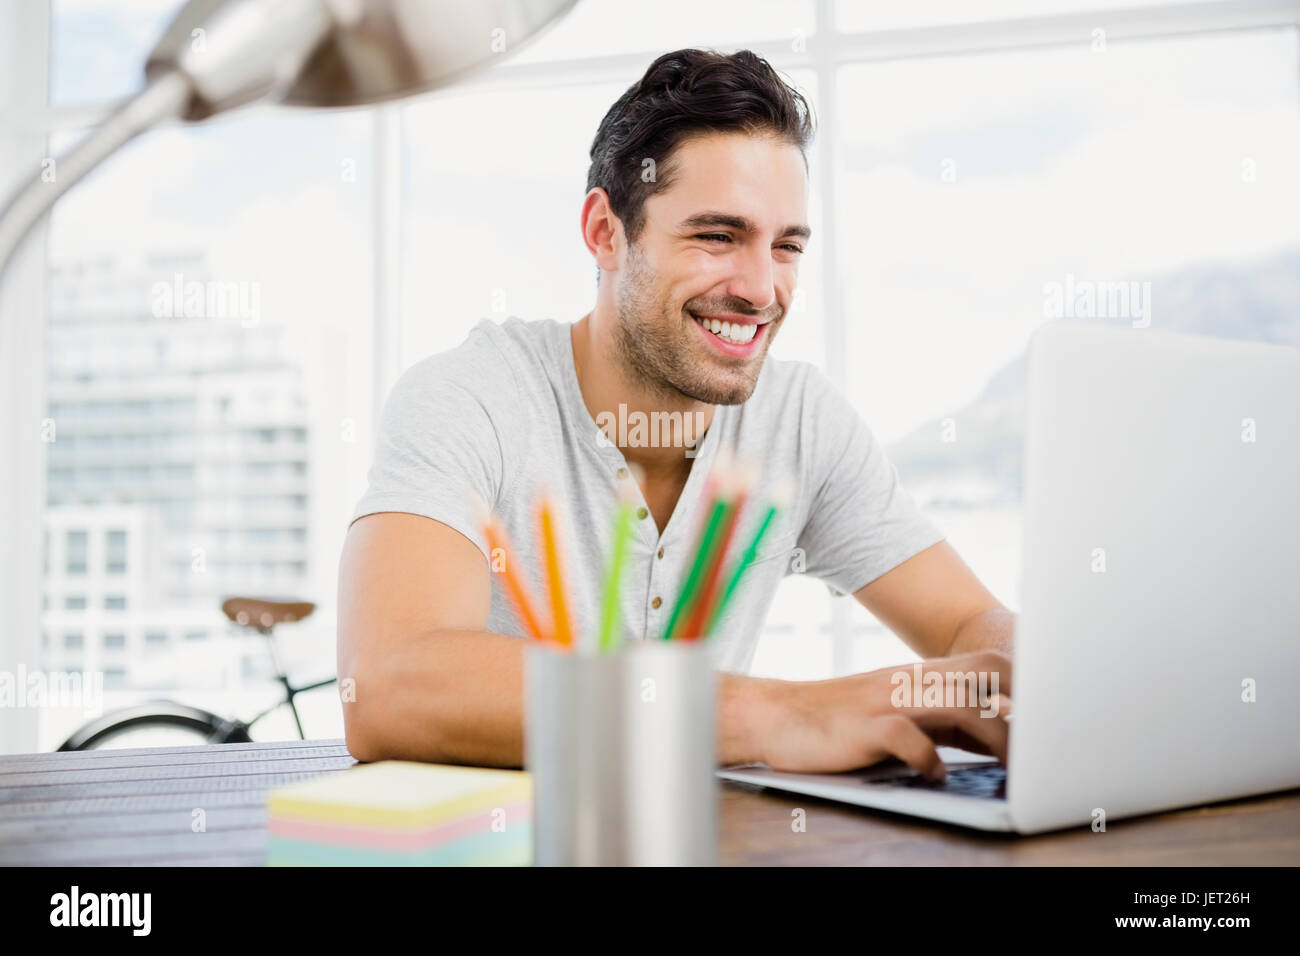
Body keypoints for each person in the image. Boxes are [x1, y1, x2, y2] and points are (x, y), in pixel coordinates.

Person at [338, 49, 1013, 780]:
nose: (761, 290)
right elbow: (385, 686)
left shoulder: (801, 422)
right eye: (718, 236)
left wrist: (1027, 678)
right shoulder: (474, 396)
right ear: (605, 231)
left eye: (786, 246)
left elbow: (964, 624)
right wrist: (780, 713)